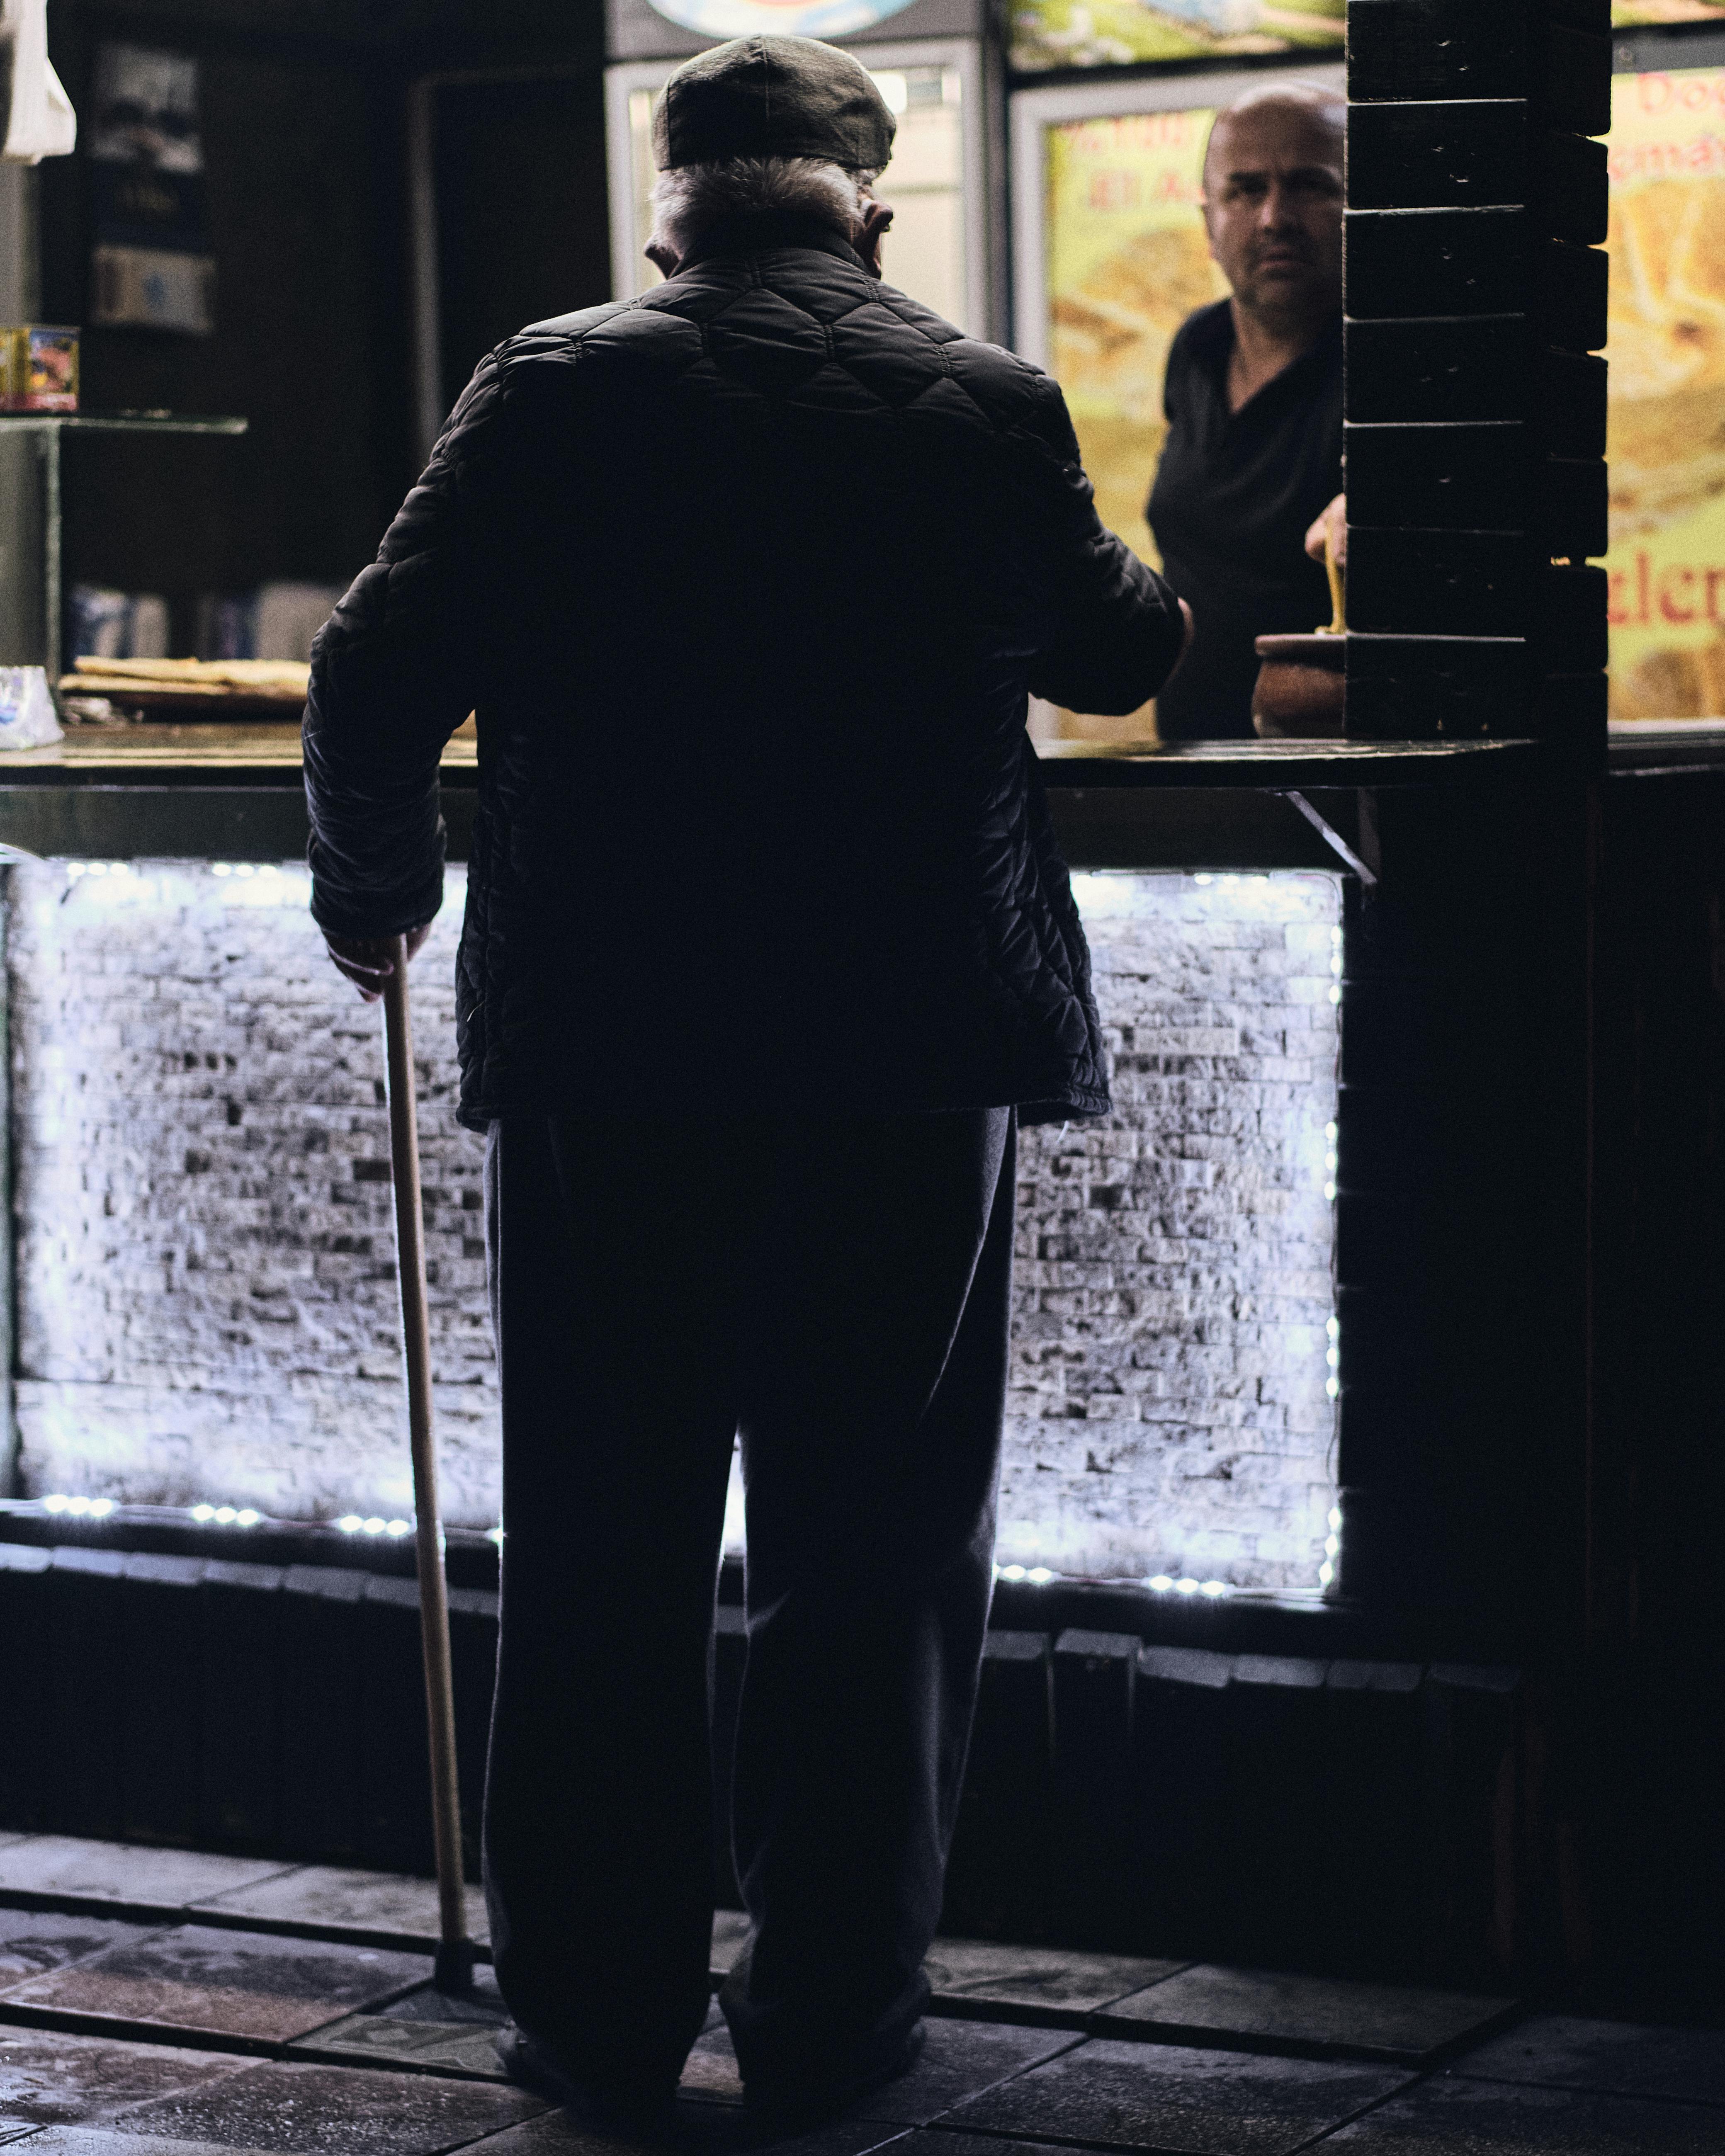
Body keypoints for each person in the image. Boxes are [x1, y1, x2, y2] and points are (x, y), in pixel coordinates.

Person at [303, 32, 1190, 2132]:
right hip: (901, 1063)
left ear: (669, 216)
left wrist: (377, 888)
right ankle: (831, 2023)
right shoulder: (986, 398)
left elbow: (367, 666)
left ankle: (594, 2024)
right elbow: (1117, 655)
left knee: (604, 1545)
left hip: (613, 1061)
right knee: (871, 1554)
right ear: (868, 212)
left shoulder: (551, 384)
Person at [1146, 80, 1345, 740]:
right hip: (1191, 768)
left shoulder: (1396, 369)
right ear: (1209, 222)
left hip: (1333, 775)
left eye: (1311, 186)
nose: (1274, 218)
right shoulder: (1196, 350)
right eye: (1247, 189)